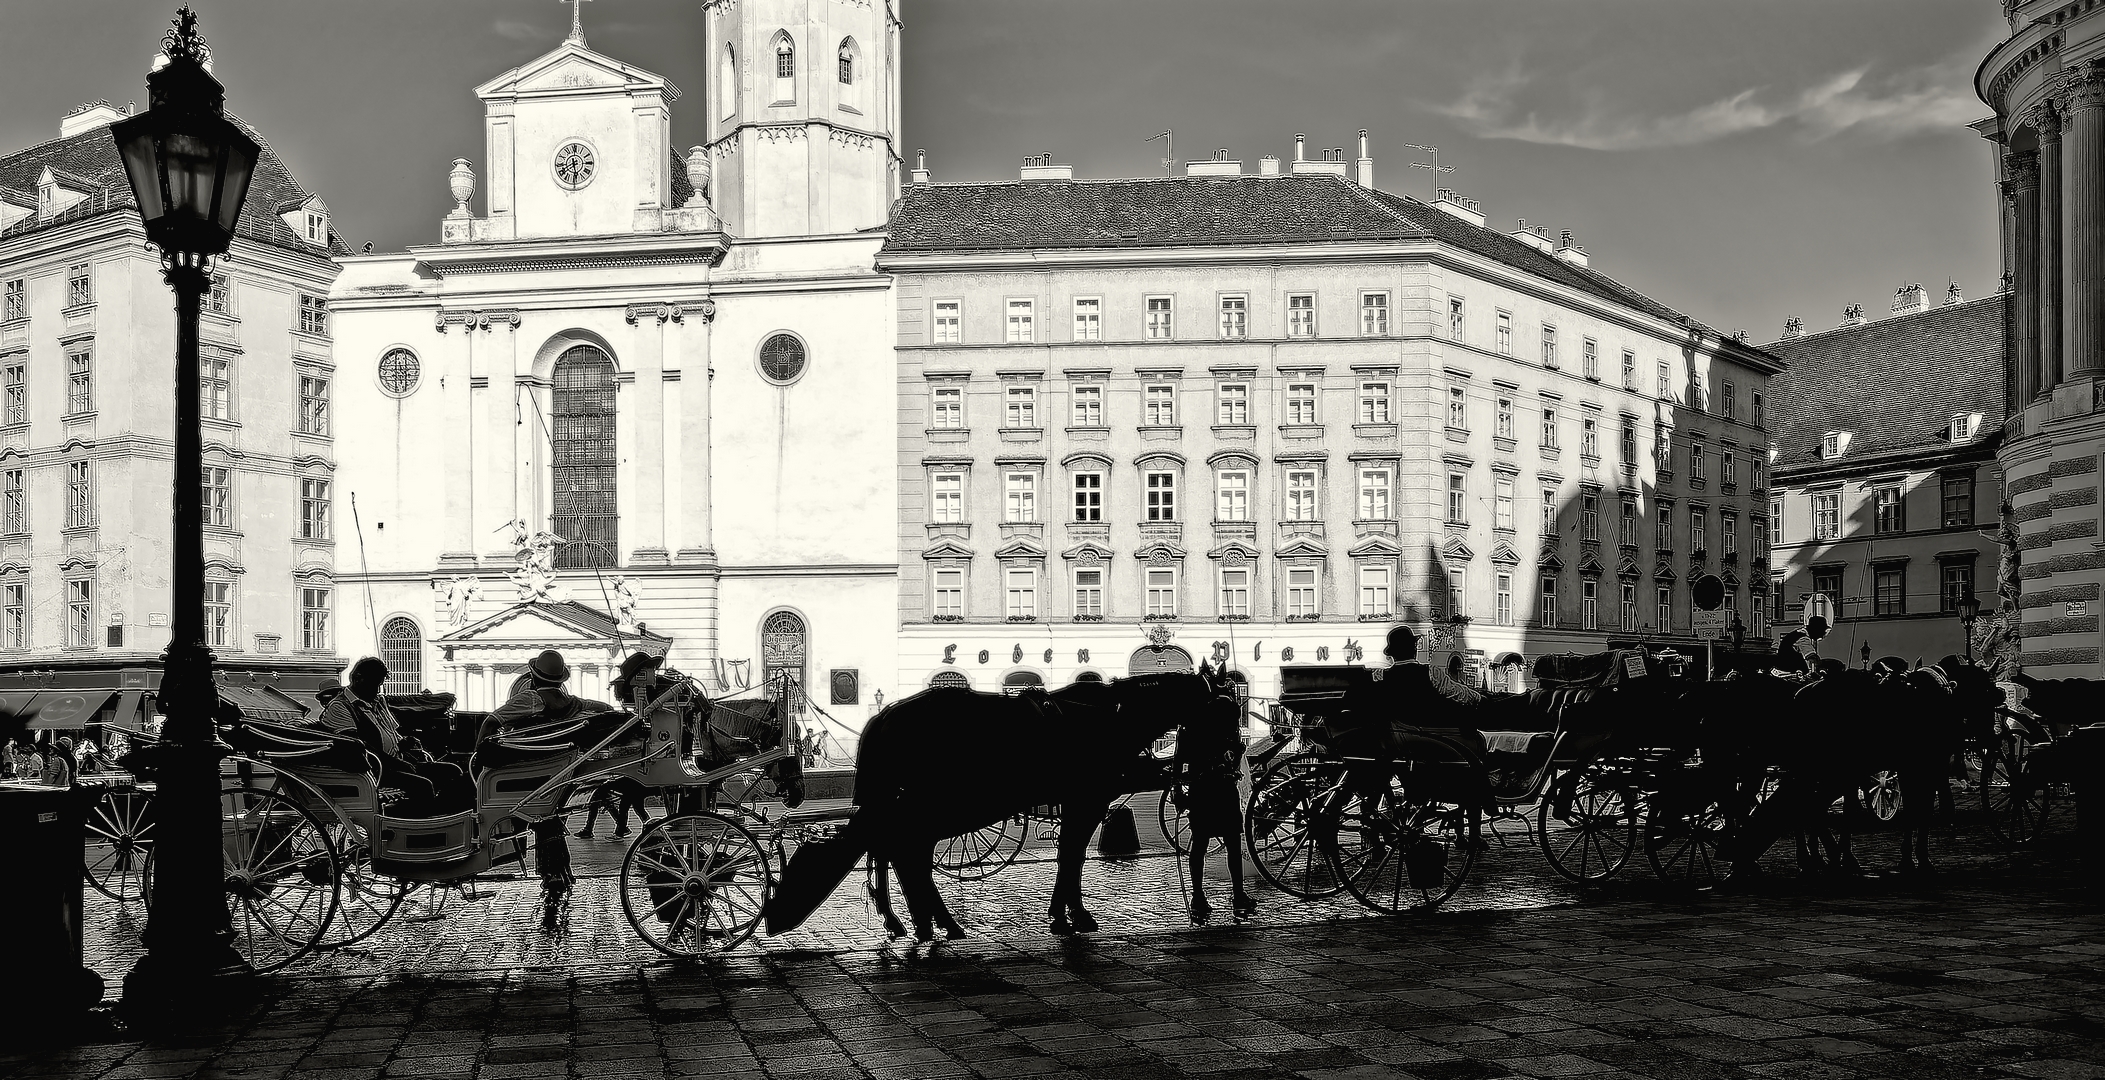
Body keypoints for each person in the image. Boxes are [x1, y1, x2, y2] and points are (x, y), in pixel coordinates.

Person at [480, 649, 613, 909]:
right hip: (552, 773)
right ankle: (557, 871)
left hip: (523, 773)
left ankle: (552, 873)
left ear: (534, 676)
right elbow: (603, 708)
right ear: (560, 679)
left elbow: (491, 721)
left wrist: (481, 750)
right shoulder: (572, 703)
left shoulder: (531, 698)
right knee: (547, 818)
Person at [319, 657, 470, 815]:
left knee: (453, 771)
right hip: (373, 769)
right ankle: (415, 827)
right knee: (423, 786)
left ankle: (444, 819)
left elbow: (393, 733)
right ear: (358, 679)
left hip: (396, 762)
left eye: (379, 685)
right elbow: (357, 746)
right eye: (374, 684)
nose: (377, 690)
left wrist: (406, 743)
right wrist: (397, 763)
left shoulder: (377, 702)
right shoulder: (339, 707)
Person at [1173, 704, 1254, 923]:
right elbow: (1179, 761)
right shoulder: (1200, 728)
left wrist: (1178, 789)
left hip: (1212, 789)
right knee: (1216, 845)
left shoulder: (1193, 728)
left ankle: (1211, 895)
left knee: (1206, 844)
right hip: (1211, 788)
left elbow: (1178, 761)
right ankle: (1222, 895)